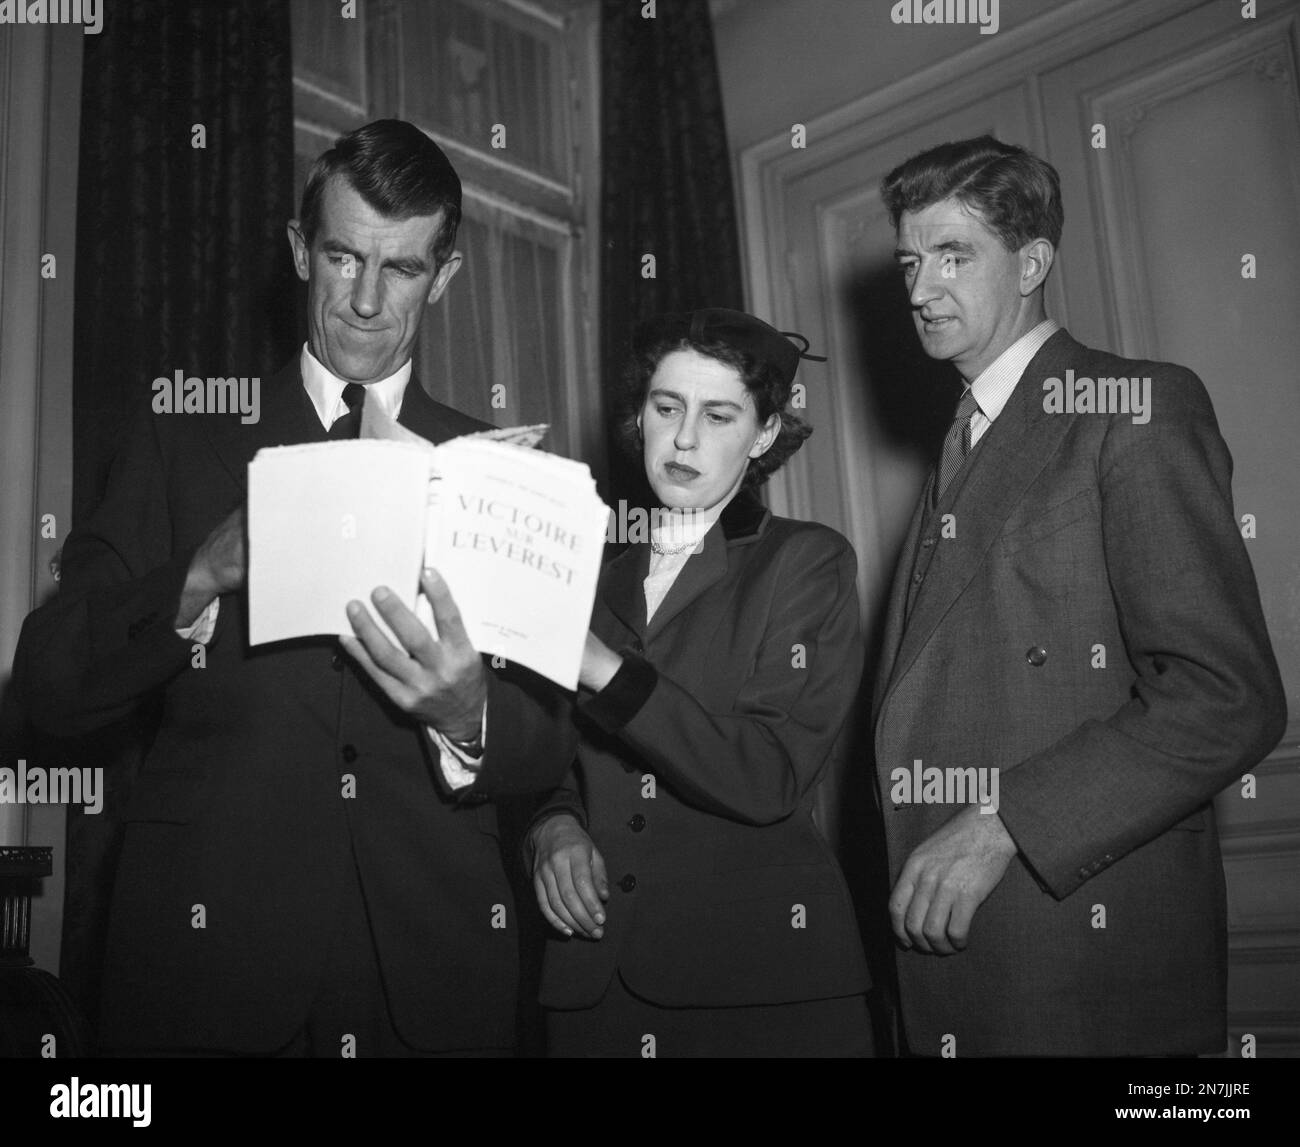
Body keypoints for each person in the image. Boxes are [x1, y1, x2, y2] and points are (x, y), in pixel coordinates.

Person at [14, 120, 573, 1056]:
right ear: (297, 250)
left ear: (444, 277)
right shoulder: (180, 441)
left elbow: (551, 745)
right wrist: (196, 576)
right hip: (205, 965)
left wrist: (472, 712)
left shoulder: (498, 469)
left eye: (399, 269)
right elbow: (47, 682)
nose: (362, 299)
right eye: (342, 255)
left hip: (430, 978)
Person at [873, 135, 1286, 1056]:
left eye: (953, 255)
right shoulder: (958, 443)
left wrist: (1006, 820)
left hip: (1074, 962)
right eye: (910, 260)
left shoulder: (1132, 407)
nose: (918, 287)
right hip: (955, 963)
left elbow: (1228, 695)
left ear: (1033, 262)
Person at [527, 308, 872, 1057]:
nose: (683, 439)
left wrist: (602, 667)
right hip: (594, 989)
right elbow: (545, 764)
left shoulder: (805, 562)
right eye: (665, 407)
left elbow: (768, 773)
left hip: (757, 986)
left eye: (719, 415)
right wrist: (552, 828)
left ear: (766, 434)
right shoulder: (584, 578)